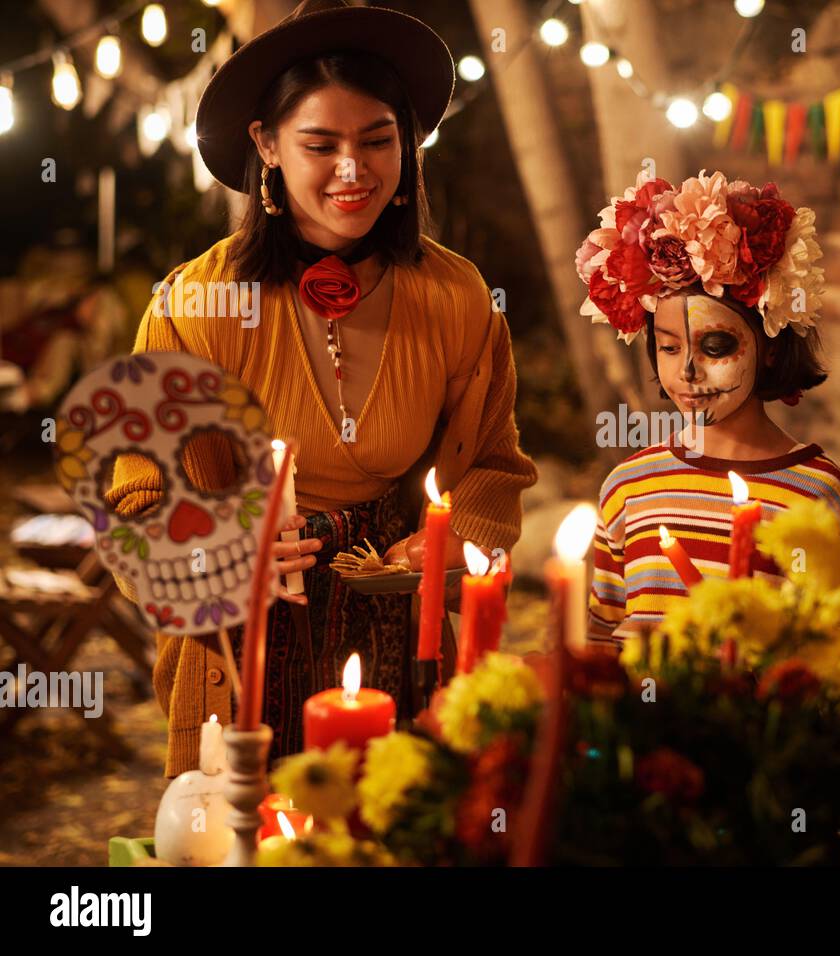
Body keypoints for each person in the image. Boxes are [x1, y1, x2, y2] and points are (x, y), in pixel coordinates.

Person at [105, 0, 536, 775]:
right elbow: (135, 503)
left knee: (400, 827)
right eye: (320, 144)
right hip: (240, 651)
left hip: (407, 635)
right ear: (266, 145)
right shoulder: (193, 307)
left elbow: (496, 467)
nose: (354, 170)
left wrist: (452, 545)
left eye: (378, 141)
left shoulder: (457, 298)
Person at [577, 170, 840, 645]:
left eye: (715, 347)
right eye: (670, 348)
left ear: (771, 346)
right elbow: (603, 638)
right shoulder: (628, 488)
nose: (688, 372)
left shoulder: (823, 498)